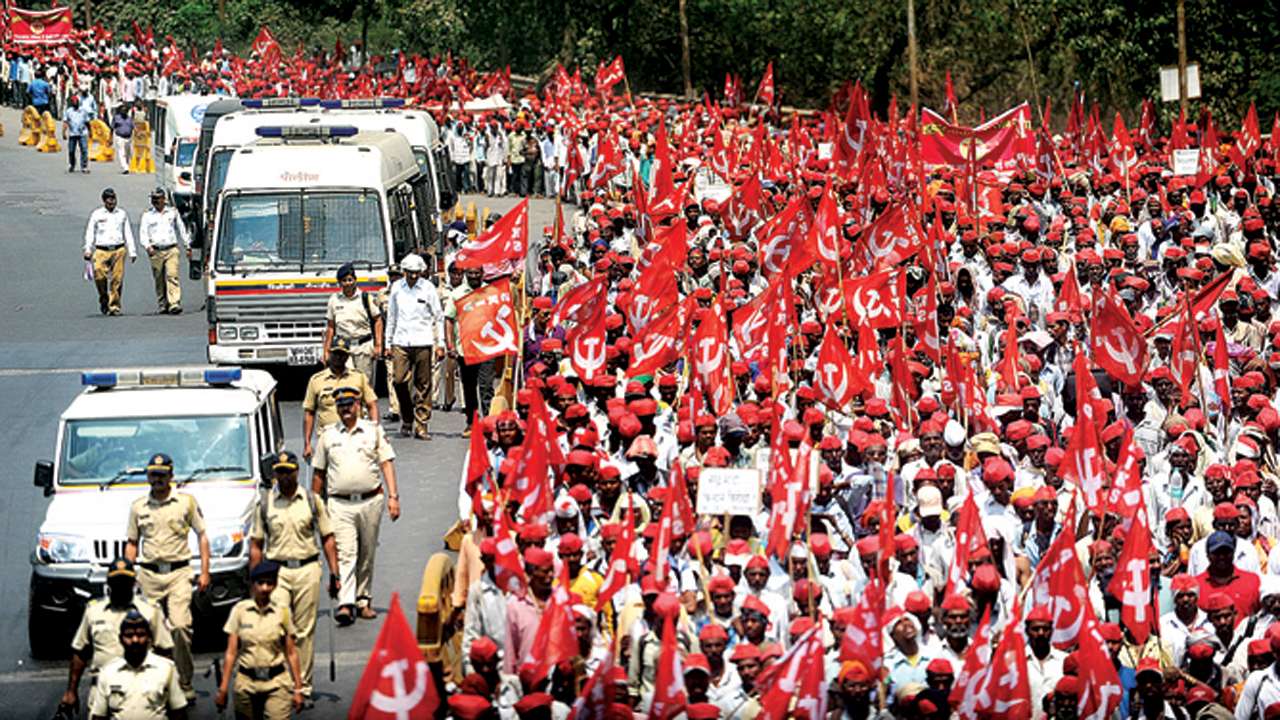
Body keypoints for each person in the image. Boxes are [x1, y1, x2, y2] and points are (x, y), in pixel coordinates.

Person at [249, 451, 340, 707]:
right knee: (277, 628)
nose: (283, 476)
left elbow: (328, 538)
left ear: (297, 472)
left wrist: (335, 574)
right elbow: (256, 543)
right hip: (275, 572)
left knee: (303, 631)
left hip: (307, 569)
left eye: (288, 471)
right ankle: (282, 684)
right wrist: (254, 580)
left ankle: (303, 687)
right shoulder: (265, 503)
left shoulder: (312, 501)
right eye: (279, 471)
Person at [124, 453, 211, 703]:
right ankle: (151, 683)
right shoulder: (138, 507)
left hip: (179, 573)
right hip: (149, 574)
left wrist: (205, 571)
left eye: (162, 475)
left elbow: (202, 535)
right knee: (148, 631)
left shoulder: (186, 503)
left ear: (171, 475)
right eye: (153, 474)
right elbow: (132, 542)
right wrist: (128, 573)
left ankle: (184, 683)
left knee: (181, 626)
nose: (157, 479)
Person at [311, 387, 400, 625]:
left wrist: (393, 497)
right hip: (339, 503)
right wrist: (314, 504)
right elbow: (318, 473)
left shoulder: (373, 431)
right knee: (346, 552)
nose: (346, 409)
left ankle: (363, 599)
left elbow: (387, 463)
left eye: (349, 404)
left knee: (367, 552)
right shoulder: (328, 435)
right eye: (341, 406)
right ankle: (346, 603)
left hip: (371, 500)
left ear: (358, 405)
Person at [61, 558, 173, 717]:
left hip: (142, 690)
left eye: (125, 581)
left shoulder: (150, 611)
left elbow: (165, 652)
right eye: (117, 581)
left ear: (134, 583)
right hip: (102, 690)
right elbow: (80, 652)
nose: (121, 586)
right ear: (109, 583)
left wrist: (170, 690)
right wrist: (71, 691)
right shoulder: (94, 611)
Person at [214, 561, 305, 719]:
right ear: (252, 585)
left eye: (269, 583)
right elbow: (231, 652)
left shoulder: (282, 612)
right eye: (260, 583)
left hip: (276, 683)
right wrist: (223, 688)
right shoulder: (240, 611)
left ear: (275, 585)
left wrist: (298, 689)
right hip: (246, 682)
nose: (264, 588)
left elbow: (291, 653)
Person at [385, 253, 446, 440]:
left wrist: (440, 343)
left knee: (424, 384)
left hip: (423, 341)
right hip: (401, 341)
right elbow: (392, 317)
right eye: (409, 272)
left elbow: (439, 317)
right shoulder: (396, 288)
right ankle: (407, 417)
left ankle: (421, 423)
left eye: (416, 273)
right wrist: (388, 343)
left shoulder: (428, 288)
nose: (413, 276)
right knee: (399, 381)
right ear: (404, 272)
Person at [88, 610, 187, 720]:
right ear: (120, 639)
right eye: (129, 635)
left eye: (140, 634)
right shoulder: (108, 672)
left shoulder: (166, 669)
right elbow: (98, 716)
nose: (135, 640)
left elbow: (179, 713)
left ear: (149, 638)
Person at [303, 336, 378, 460]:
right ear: (329, 353)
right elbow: (309, 412)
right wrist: (307, 444)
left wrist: (375, 432)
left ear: (348, 356)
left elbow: (372, 405)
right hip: (328, 440)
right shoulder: (316, 380)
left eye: (342, 354)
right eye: (336, 354)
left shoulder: (358, 377)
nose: (339, 358)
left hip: (355, 438)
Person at [324, 262, 384, 387]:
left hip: (363, 347)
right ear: (339, 283)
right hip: (343, 348)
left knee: (364, 385)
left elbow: (378, 320)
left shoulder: (365, 297)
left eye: (350, 280)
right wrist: (326, 351)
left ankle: (365, 407)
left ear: (355, 280)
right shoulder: (334, 300)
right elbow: (330, 327)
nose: (348, 283)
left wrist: (378, 345)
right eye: (344, 280)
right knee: (346, 384)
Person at [83, 187, 136, 316]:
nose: (112, 202)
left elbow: (127, 232)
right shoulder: (97, 214)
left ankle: (114, 306)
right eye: (109, 199)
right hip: (101, 250)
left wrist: (132, 251)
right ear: (104, 201)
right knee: (99, 275)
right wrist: (88, 249)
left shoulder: (122, 214)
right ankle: (104, 298)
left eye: (113, 199)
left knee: (117, 279)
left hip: (118, 249)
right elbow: (90, 231)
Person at [137, 188, 190, 314]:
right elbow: (143, 233)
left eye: (157, 198)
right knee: (159, 278)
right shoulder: (147, 215)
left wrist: (187, 245)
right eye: (153, 199)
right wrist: (147, 246)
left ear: (164, 200)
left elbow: (181, 229)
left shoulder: (172, 212)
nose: (155, 201)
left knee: (172, 275)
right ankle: (163, 303)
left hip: (171, 249)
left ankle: (174, 303)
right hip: (156, 251)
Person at [63, 94, 90, 174]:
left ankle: (84, 166)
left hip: (82, 133)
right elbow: (65, 122)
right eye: (74, 102)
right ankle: (72, 164)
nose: (75, 103)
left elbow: (87, 122)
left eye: (76, 102)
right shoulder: (68, 111)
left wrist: (90, 132)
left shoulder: (83, 111)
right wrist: (63, 132)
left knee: (84, 150)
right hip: (72, 134)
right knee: (71, 151)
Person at [111, 103, 134, 174]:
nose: (124, 111)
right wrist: (110, 137)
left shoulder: (129, 119)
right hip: (120, 137)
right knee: (122, 153)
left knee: (128, 153)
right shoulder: (116, 118)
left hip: (128, 138)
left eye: (125, 110)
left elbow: (133, 127)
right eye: (122, 110)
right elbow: (112, 127)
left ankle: (127, 166)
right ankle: (125, 167)